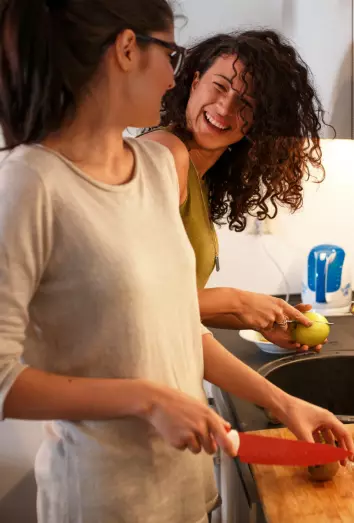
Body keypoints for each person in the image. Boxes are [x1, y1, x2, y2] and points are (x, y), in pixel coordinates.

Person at [0, 4, 352, 523]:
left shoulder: (158, 169)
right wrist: (147, 400)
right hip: (102, 500)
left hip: (182, 489)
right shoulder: (30, 182)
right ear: (125, 50)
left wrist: (285, 405)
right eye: (170, 53)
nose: (173, 75)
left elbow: (180, 328)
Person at [140, 30, 330, 352]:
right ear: (195, 81)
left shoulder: (196, 170)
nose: (226, 108)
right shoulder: (165, 155)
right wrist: (238, 301)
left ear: (259, 121)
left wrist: (264, 318)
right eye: (220, 86)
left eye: (246, 102)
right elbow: (132, 300)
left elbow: (177, 303)